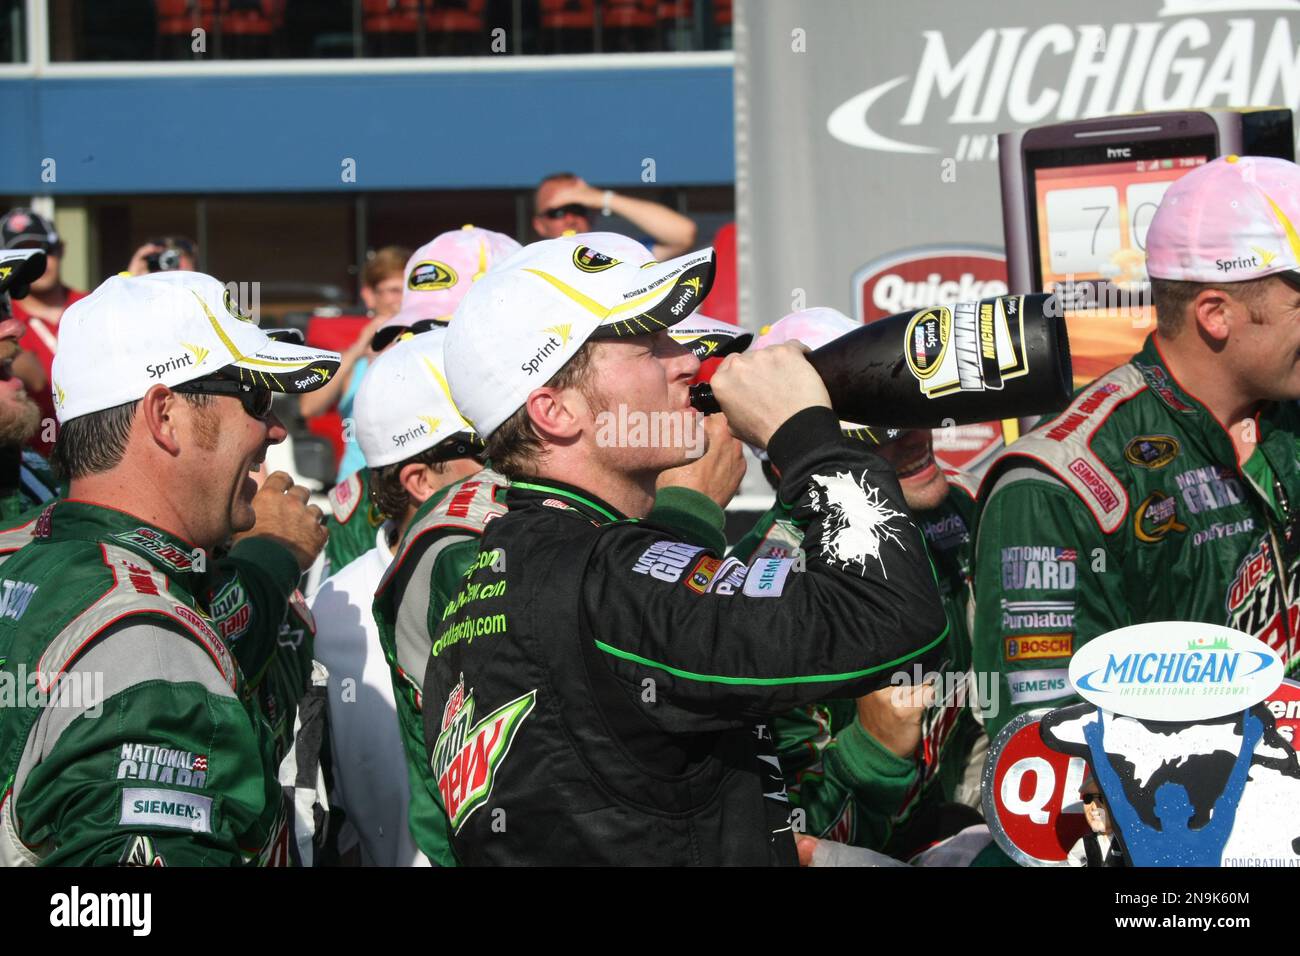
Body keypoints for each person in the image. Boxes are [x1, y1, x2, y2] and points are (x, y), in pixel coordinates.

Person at [422, 238, 947, 865]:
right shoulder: (602, 578)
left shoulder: (498, 580)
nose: (687, 361)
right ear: (555, 411)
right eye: (651, 343)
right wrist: (805, 434)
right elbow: (894, 620)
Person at [372, 232, 749, 867]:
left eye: (693, 345)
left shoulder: (615, 499)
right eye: (652, 342)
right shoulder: (474, 539)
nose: (692, 371)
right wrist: (693, 517)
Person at [0, 270, 341, 865]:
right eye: (257, 398)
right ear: (165, 416)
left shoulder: (30, 558)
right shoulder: (148, 649)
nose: (274, 429)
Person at [974, 154, 1300, 739]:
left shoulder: (1284, 417)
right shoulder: (1060, 484)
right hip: (1180, 823)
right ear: (1216, 315)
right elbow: (1045, 750)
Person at [729, 309, 984, 856]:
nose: (916, 438)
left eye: (915, 411)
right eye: (881, 432)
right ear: (793, 465)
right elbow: (785, 837)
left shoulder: (960, 507)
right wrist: (871, 752)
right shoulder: (769, 586)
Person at [311, 328, 484, 866]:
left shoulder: (549, 564)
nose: (513, 462)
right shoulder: (335, 604)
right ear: (420, 480)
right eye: (483, 446)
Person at [322, 228, 519, 575]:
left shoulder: (583, 462)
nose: (418, 351)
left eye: (445, 332)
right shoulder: (362, 499)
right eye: (410, 333)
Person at [301, 244, 411, 483]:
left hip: (407, 482)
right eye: (393, 290)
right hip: (357, 486)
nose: (402, 299)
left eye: (407, 290)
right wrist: (360, 347)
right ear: (369, 296)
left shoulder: (423, 349)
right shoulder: (351, 360)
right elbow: (309, 408)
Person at [0, 208, 86, 455]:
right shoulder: (13, 323)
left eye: (46, 250)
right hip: (37, 460)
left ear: (62, 249)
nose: (13, 327)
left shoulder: (96, 305)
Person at [532, 172, 697, 260]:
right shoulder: (523, 265)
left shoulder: (618, 254)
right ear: (539, 225)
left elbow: (683, 234)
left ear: (592, 214)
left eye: (578, 208)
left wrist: (602, 198)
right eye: (557, 213)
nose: (570, 219)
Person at [1066, 772, 1125, 867]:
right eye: (1088, 798)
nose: (1094, 807)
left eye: (1103, 798)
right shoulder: (1086, 842)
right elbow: (1073, 858)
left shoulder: (1126, 842)